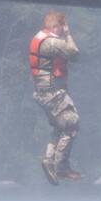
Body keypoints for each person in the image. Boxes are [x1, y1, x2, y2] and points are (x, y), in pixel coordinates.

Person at [29, 11, 81, 184]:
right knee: (72, 123)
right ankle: (61, 167)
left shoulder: (40, 37)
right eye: (62, 26)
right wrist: (67, 33)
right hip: (52, 92)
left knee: (60, 126)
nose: (63, 30)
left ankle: (49, 160)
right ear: (57, 26)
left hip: (44, 91)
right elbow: (74, 53)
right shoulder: (51, 42)